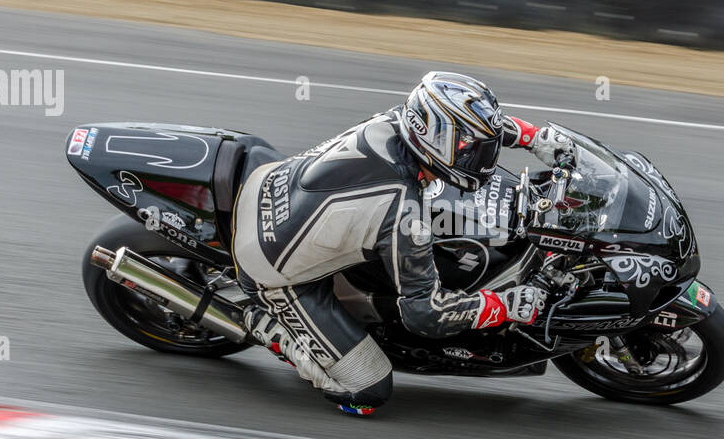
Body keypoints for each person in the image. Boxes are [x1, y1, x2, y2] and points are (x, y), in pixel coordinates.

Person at [231, 71, 573, 415]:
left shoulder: (402, 121)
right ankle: (261, 323)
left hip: (274, 184)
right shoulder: (404, 213)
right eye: (471, 149)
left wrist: (534, 138)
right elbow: (426, 314)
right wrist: (503, 305)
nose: (481, 159)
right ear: (437, 138)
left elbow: (473, 128)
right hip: (270, 266)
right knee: (368, 390)